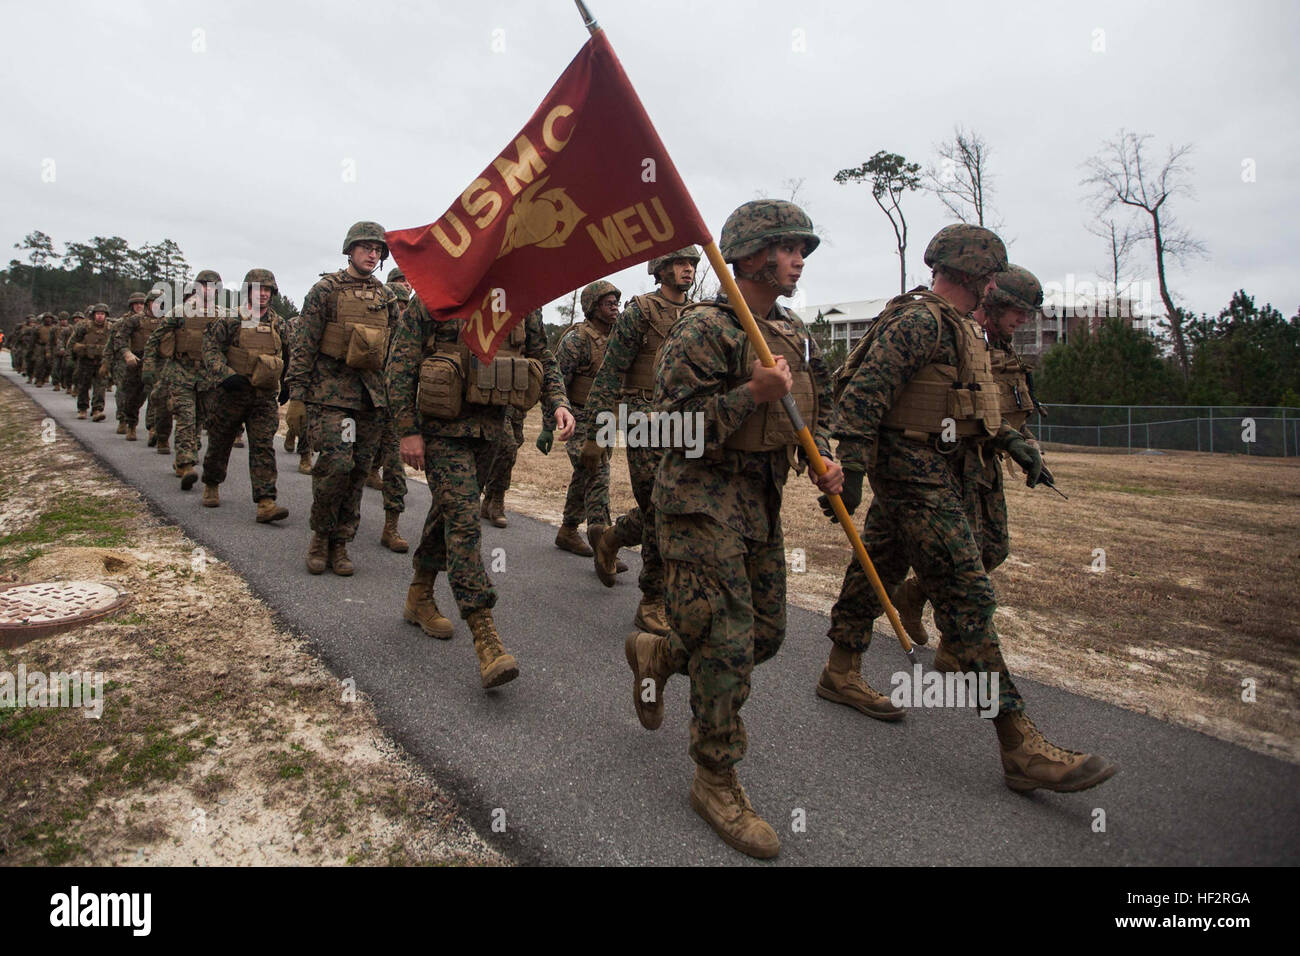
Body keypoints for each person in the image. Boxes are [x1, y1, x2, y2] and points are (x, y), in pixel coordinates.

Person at [821, 224, 1116, 794]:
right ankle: (1019, 745)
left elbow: (976, 407)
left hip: (940, 467)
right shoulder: (921, 321)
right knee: (967, 592)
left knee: (876, 566)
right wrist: (851, 473)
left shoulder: (958, 330)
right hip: (912, 471)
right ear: (979, 277)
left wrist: (1013, 442)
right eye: (990, 278)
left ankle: (839, 670)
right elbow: (861, 395)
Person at [626, 201, 839, 859]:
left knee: (765, 637)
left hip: (758, 503)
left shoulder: (793, 331)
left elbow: (813, 407)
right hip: (697, 501)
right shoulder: (702, 330)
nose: (800, 257)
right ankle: (715, 776)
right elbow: (670, 429)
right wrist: (750, 395)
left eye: (805, 247)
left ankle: (659, 655)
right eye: (788, 246)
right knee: (727, 637)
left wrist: (823, 452)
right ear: (749, 255)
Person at [388, 300, 573, 690]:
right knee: (464, 522)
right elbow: (401, 365)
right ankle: (485, 635)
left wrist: (557, 403)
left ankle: (420, 593)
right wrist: (407, 429)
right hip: (442, 430)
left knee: (450, 512)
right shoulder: (436, 292)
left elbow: (543, 356)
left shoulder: (521, 300)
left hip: (490, 430)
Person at [890, 263, 1048, 643]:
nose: (1023, 320)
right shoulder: (955, 337)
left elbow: (999, 408)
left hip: (984, 460)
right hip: (944, 461)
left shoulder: (998, 347)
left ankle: (912, 596)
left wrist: (1022, 442)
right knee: (960, 562)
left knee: (991, 549)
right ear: (994, 302)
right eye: (1017, 310)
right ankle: (956, 645)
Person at [581, 246, 701, 635]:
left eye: (693, 264)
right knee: (658, 509)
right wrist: (598, 435)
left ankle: (612, 538)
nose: (689, 270)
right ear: (661, 269)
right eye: (681, 263)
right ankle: (652, 600)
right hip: (641, 419)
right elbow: (611, 371)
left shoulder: (700, 315)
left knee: (676, 508)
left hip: (686, 422)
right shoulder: (639, 313)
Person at [284, 222, 398, 576]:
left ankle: (341, 542)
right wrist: (297, 397)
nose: (372, 254)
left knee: (358, 473)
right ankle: (320, 536)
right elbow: (304, 345)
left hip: (371, 401)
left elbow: (396, 351)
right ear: (350, 250)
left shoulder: (387, 298)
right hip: (331, 397)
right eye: (366, 247)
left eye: (378, 250)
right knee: (337, 465)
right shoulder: (325, 291)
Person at [199, 268, 291, 524]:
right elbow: (210, 349)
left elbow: (289, 355)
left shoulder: (279, 324)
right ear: (247, 291)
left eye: (267, 289)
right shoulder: (231, 320)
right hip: (231, 394)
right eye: (257, 289)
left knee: (263, 447)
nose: (262, 294)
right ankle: (212, 483)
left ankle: (265, 501)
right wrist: (225, 374)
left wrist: (287, 383)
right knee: (220, 441)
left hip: (263, 398)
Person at [543, 280, 620, 559]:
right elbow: (555, 384)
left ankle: (567, 530)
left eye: (616, 302)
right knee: (597, 470)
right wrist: (547, 427)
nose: (614, 307)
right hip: (578, 418)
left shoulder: (620, 337)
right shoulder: (576, 340)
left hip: (606, 420)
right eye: (607, 302)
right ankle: (605, 544)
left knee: (586, 472)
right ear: (592, 306)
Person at [143, 271, 228, 489]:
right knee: (186, 418)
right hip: (181, 372)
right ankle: (186, 464)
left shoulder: (223, 315)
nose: (209, 290)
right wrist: (149, 366)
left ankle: (186, 456)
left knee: (200, 420)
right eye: (205, 285)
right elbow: (155, 339)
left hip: (208, 378)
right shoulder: (180, 312)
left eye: (213, 286)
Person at [108, 291, 154, 441]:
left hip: (156, 363)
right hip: (136, 361)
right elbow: (119, 339)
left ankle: (153, 428)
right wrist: (126, 353)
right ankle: (130, 424)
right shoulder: (133, 321)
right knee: (133, 396)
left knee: (156, 396)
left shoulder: (167, 320)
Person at [66, 305, 112, 421]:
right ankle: (82, 409)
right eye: (98, 314)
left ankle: (97, 410)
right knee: (83, 385)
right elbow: (71, 342)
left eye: (102, 314)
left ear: (106, 315)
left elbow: (115, 344)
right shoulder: (84, 326)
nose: (100, 316)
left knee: (101, 386)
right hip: (86, 360)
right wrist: (72, 356)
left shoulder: (111, 328)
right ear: (93, 315)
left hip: (102, 361)